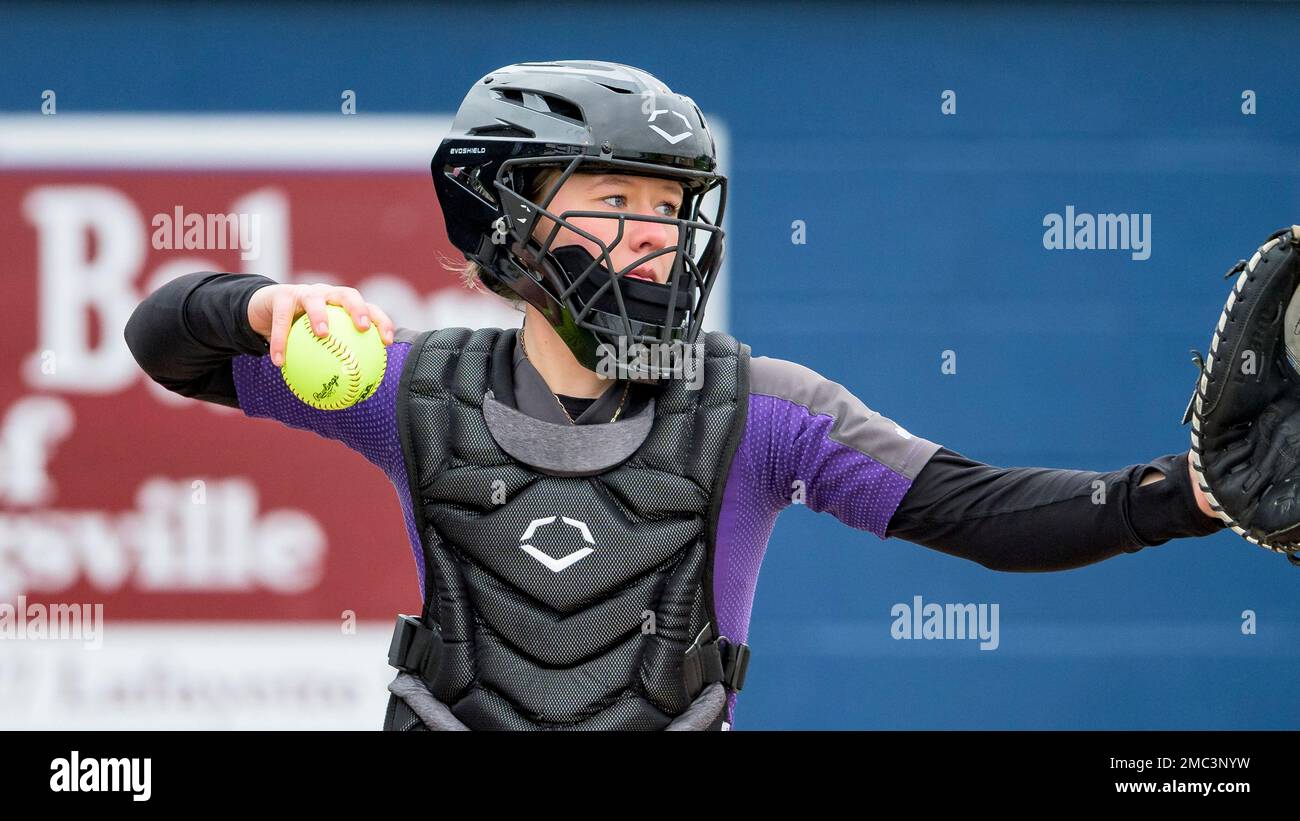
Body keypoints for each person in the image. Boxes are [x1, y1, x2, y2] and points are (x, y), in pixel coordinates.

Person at [124, 60, 1225, 732]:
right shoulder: (408, 386)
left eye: (673, 207)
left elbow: (980, 514)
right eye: (616, 199)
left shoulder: (762, 406)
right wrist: (257, 303)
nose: (656, 235)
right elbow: (163, 338)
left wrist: (1190, 491)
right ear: (511, 215)